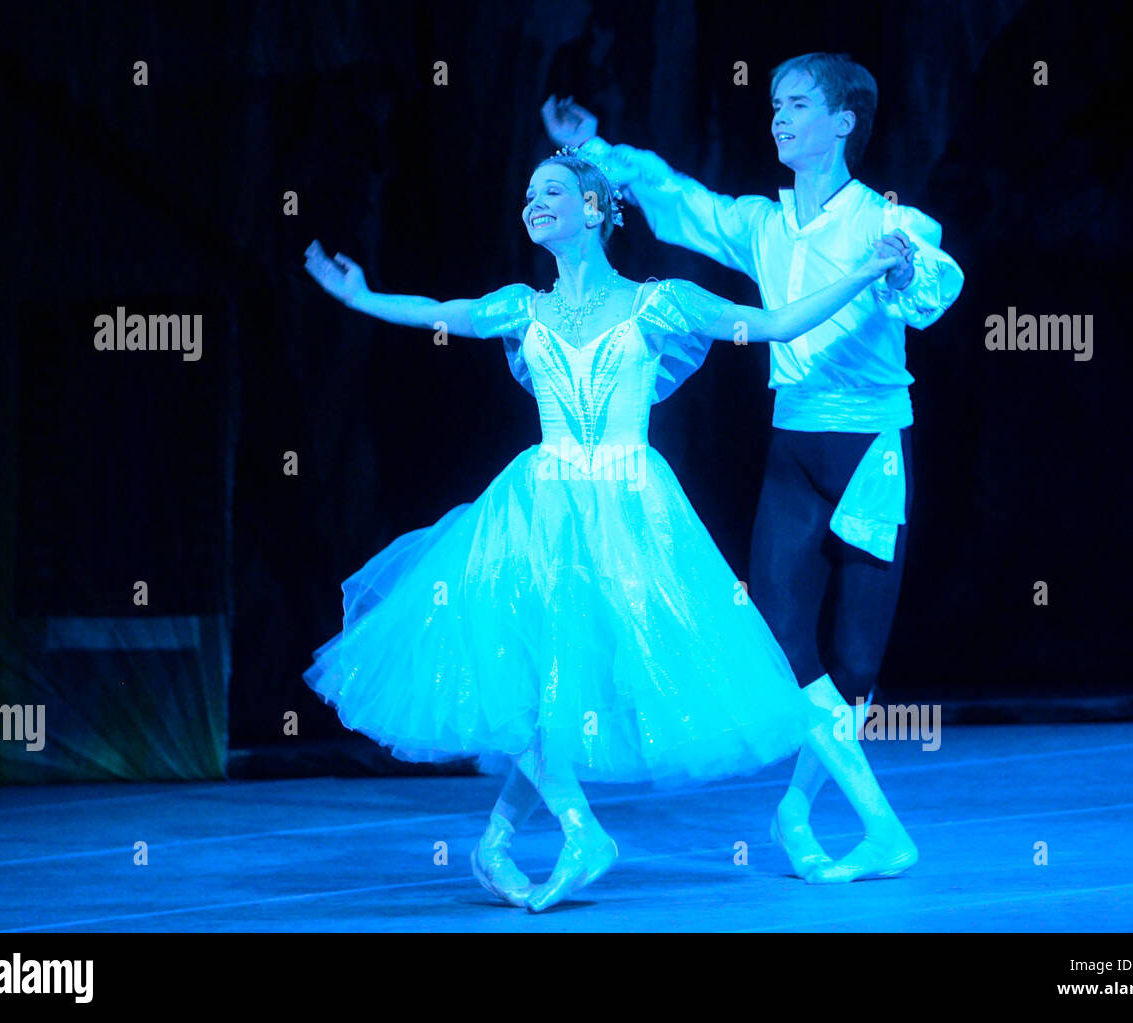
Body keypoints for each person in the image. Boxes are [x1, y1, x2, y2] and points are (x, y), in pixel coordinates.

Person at [301, 150, 904, 913]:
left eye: (550, 191)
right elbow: (440, 311)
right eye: (526, 194)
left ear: (594, 209)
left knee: (561, 681)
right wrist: (362, 298)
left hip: (628, 507)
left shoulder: (661, 303)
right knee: (529, 674)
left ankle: (555, 833)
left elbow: (777, 322)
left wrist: (866, 271)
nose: (533, 203)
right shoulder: (522, 305)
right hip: (537, 505)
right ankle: (527, 837)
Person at [543, 51, 964, 882]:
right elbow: (678, 201)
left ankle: (799, 808)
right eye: (774, 104)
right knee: (777, 636)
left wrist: (908, 265)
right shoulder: (763, 224)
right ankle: (876, 824)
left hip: (872, 450)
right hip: (795, 445)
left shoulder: (885, 220)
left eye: (798, 104)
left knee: (857, 661)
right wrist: (599, 154)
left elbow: (936, 284)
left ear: (843, 121)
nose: (778, 117)